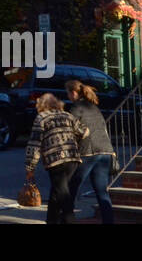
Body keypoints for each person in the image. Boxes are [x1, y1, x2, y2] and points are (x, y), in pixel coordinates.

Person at [25, 92, 89, 224]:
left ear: (41, 105)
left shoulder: (41, 118)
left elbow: (34, 145)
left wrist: (30, 168)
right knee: (56, 193)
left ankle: (69, 220)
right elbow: (84, 132)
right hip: (72, 159)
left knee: (63, 195)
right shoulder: (67, 115)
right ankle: (51, 221)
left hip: (55, 161)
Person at [65, 78, 115, 224]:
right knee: (101, 191)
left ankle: (67, 219)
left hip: (87, 152)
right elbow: (103, 128)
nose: (67, 96)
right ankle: (109, 221)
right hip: (105, 150)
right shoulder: (94, 107)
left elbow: (70, 131)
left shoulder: (75, 108)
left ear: (74, 93)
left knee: (71, 188)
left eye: (68, 93)